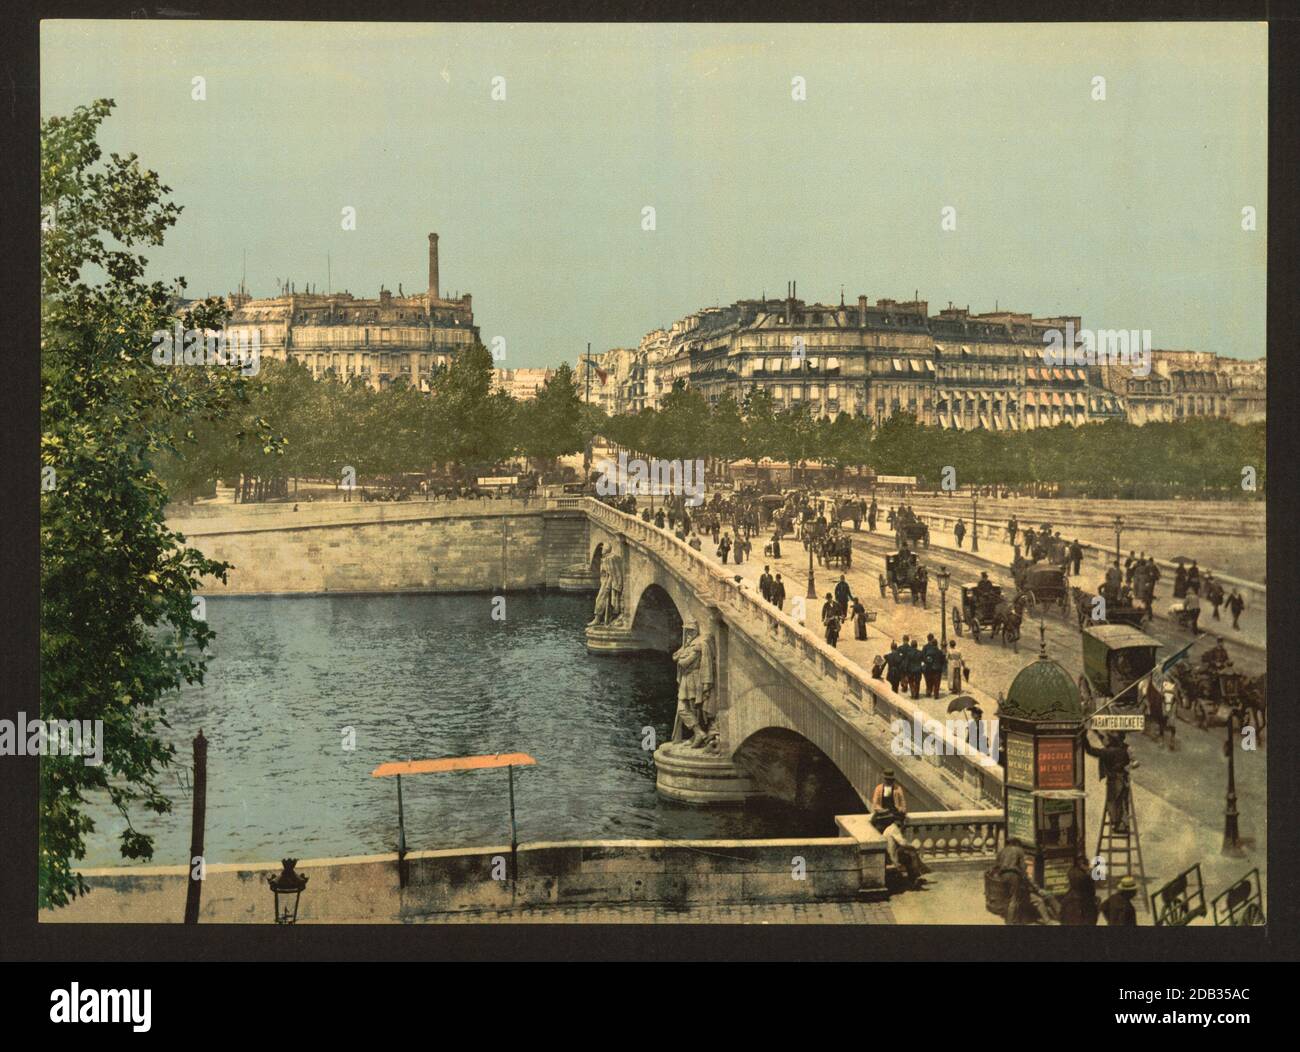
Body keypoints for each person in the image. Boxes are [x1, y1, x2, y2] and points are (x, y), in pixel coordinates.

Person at [1083, 731, 1138, 834]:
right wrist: (1097, 732)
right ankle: (1124, 824)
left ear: (1112, 741)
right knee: (1122, 802)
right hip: (1124, 779)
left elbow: (1090, 750)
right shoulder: (1125, 748)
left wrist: (1084, 739)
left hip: (1114, 780)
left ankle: (1117, 825)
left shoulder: (1108, 752)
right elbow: (1136, 762)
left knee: (1112, 801)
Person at [882, 814, 929, 888]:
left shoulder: (889, 828)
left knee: (910, 853)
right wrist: (912, 846)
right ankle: (914, 878)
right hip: (892, 857)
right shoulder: (894, 829)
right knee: (911, 854)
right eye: (903, 821)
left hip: (889, 854)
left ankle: (918, 874)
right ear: (898, 821)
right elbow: (902, 842)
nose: (903, 823)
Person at [1059, 855, 1100, 926]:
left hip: (1071, 897)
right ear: (1082, 864)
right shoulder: (1085, 876)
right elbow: (1091, 890)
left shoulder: (1071, 871)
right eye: (1087, 864)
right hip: (1083, 900)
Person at [921, 633, 945, 698]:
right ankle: (936, 694)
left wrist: (927, 663)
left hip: (929, 667)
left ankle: (929, 691)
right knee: (937, 682)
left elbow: (923, 657)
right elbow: (943, 660)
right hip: (938, 668)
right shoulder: (940, 651)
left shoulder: (926, 649)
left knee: (929, 681)